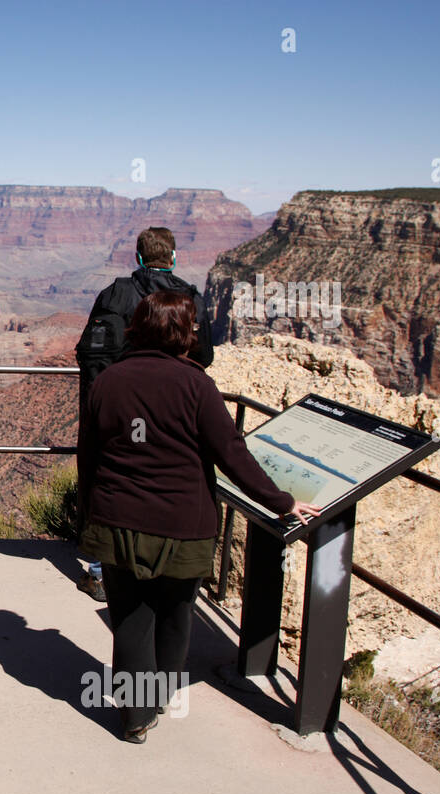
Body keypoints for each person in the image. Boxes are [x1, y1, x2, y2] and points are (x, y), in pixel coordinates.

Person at [76, 291, 319, 744]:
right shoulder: (196, 386)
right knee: (175, 613)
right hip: (182, 526)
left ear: (138, 327)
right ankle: (158, 695)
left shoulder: (109, 380)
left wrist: (91, 512)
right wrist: (281, 501)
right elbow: (231, 453)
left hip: (116, 521)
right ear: (185, 334)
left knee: (130, 617)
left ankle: (134, 716)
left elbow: (88, 456)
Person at [74, 226, 214, 602]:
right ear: (174, 257)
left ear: (137, 257)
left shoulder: (115, 293)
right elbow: (206, 356)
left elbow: (92, 348)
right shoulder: (189, 297)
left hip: (120, 405)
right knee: (165, 475)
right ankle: (169, 565)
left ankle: (105, 571)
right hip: (174, 408)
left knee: (116, 476)